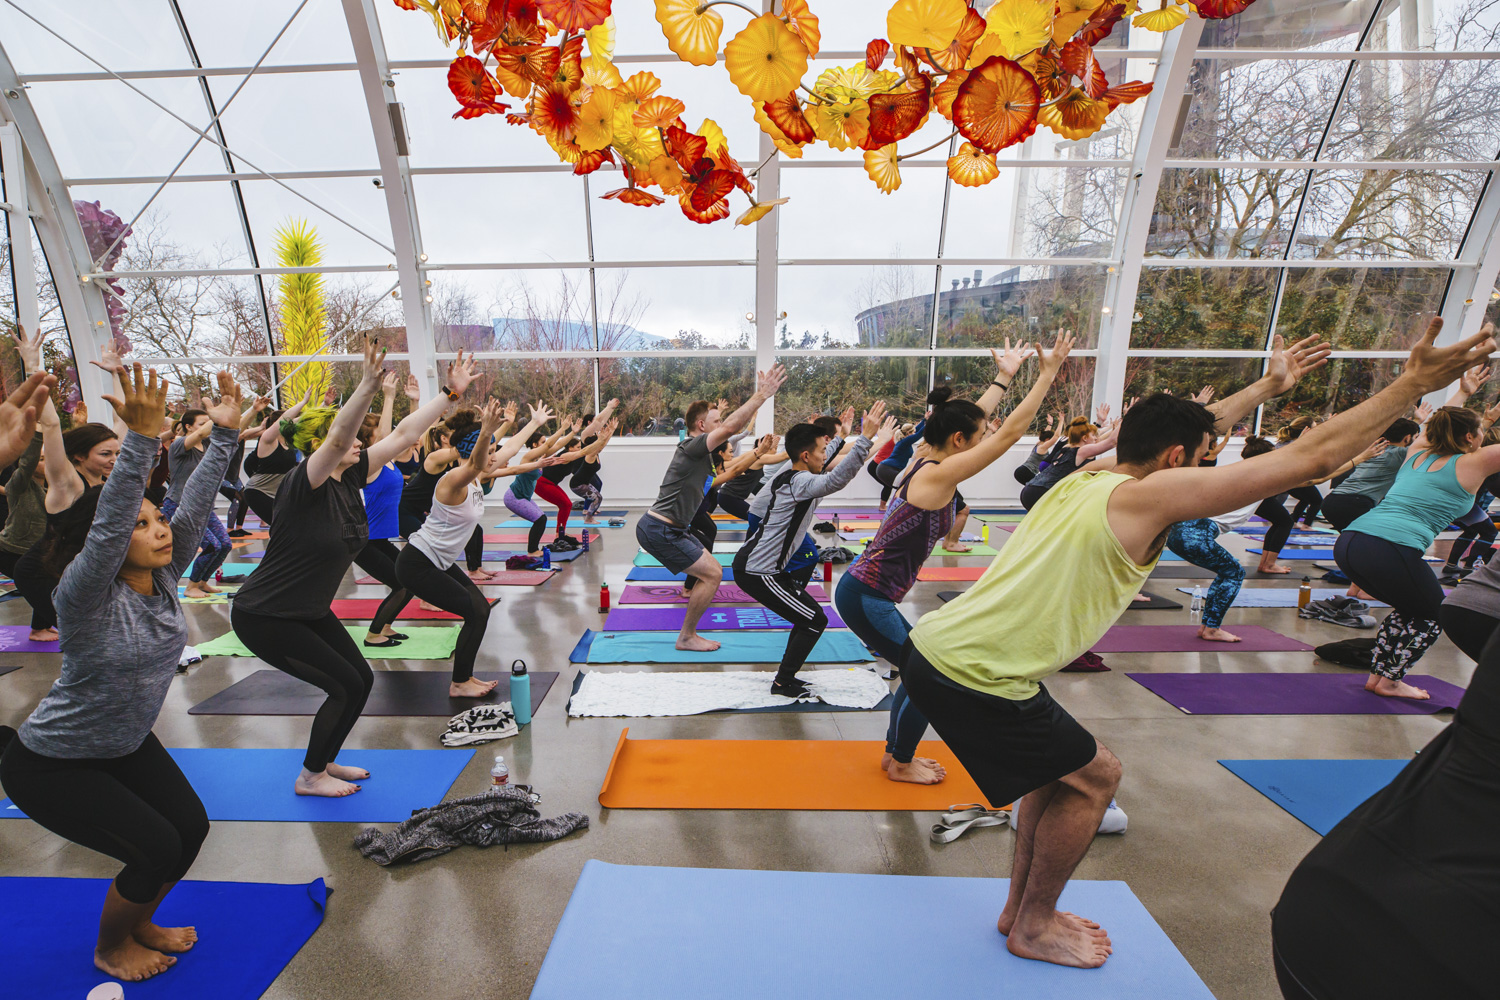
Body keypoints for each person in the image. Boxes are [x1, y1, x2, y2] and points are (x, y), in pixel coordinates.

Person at [900, 323, 1493, 969]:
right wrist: (1412, 384)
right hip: (975, 670)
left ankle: (1021, 912)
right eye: (1205, 456)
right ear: (1178, 458)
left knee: (1061, 770)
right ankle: (1035, 924)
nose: (1209, 465)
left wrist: (1265, 388)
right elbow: (1312, 460)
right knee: (1097, 778)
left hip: (943, 649)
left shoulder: (1085, 476)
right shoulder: (1149, 497)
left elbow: (1187, 432)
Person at [0, 366, 238, 983]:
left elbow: (192, 508)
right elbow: (108, 525)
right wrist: (141, 440)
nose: (158, 530)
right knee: (155, 847)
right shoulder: (85, 594)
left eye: (157, 520)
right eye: (140, 524)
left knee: (190, 829)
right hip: (55, 762)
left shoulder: (164, 576)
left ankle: (141, 921)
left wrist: (224, 437)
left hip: (124, 743)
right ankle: (111, 947)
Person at [230, 342, 477, 797]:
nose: (359, 442)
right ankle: (310, 777)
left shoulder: (352, 476)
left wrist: (450, 394)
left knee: (361, 680)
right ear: (319, 446)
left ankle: (324, 760)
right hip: (267, 615)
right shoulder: (303, 483)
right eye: (348, 439)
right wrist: (366, 386)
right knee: (343, 686)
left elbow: (404, 434)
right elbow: (340, 438)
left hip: (309, 610)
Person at [837, 335, 1070, 782]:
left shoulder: (927, 454)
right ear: (960, 441)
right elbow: (1010, 434)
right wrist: (1046, 374)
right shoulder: (938, 475)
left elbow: (965, 419)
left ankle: (894, 755)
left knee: (919, 674)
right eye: (978, 437)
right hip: (867, 594)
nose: (984, 438)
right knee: (929, 678)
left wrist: (1003, 377)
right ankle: (901, 762)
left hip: (867, 590)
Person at [1270, 624, 1500, 1000]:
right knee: (1424, 614)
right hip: (1432, 964)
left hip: (1315, 914)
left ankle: (1385, 677)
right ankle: (1389, 680)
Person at [1334, 397, 1500, 700]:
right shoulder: (1474, 462)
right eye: (1481, 430)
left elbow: (1439, 423)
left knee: (1411, 609)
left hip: (1351, 542)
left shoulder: (1417, 453)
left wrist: (1464, 394)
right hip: (1389, 547)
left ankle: (1378, 678)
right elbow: (1455, 430)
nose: (1484, 435)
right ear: (1469, 436)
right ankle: (1390, 682)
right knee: (1434, 614)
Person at [735, 403, 896, 696]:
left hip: (764, 568)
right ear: (806, 456)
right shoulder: (801, 481)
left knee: (808, 619)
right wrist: (865, 439)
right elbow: (837, 479)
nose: (826, 456)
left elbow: (827, 456)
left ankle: (785, 678)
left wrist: (842, 436)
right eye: (821, 451)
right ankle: (782, 682)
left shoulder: (796, 474)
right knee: (813, 620)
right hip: (759, 571)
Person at [397, 401, 555, 697]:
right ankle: (460, 683)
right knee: (476, 611)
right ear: (474, 451)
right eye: (490, 450)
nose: (496, 457)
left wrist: (534, 424)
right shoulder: (452, 481)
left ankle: (464, 678)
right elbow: (475, 463)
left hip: (437, 562)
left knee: (480, 609)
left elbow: (510, 451)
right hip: (417, 563)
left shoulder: (476, 478)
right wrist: (485, 432)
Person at [637, 365, 788, 652]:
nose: (722, 426)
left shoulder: (702, 457)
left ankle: (688, 630)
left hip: (674, 529)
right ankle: (686, 637)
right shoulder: (692, 446)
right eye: (716, 421)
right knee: (713, 574)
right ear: (701, 426)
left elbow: (732, 465)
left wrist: (758, 452)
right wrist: (761, 395)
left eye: (720, 420)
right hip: (660, 529)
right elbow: (731, 428)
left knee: (712, 569)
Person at [351, 370, 422, 648]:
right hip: (364, 541)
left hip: (379, 538)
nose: (388, 435)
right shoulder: (369, 463)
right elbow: (384, 438)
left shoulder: (390, 461)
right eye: (379, 433)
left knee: (409, 580)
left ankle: (386, 626)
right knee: (401, 584)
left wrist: (414, 403)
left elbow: (411, 435)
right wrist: (388, 397)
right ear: (368, 440)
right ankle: (373, 635)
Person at [163, 408, 233, 599]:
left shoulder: (207, 444)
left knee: (225, 544)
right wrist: (217, 417)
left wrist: (252, 410)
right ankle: (190, 587)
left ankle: (202, 582)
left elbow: (237, 430)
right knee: (211, 545)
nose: (206, 427)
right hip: (178, 504)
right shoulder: (179, 444)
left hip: (202, 506)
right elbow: (202, 433)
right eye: (202, 423)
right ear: (188, 426)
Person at [1017, 405, 1121, 511]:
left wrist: (1099, 422)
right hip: (1040, 492)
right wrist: (1127, 419)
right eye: (1093, 436)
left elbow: (1088, 434)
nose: (1096, 438)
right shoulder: (1082, 451)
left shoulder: (1068, 446)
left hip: (1030, 489)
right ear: (1084, 438)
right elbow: (1111, 442)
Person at [240, 385, 312, 526]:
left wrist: (324, 406)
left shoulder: (287, 441)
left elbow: (301, 420)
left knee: (291, 526)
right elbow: (285, 421)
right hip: (258, 492)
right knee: (282, 526)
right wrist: (303, 402)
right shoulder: (268, 440)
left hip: (278, 491)